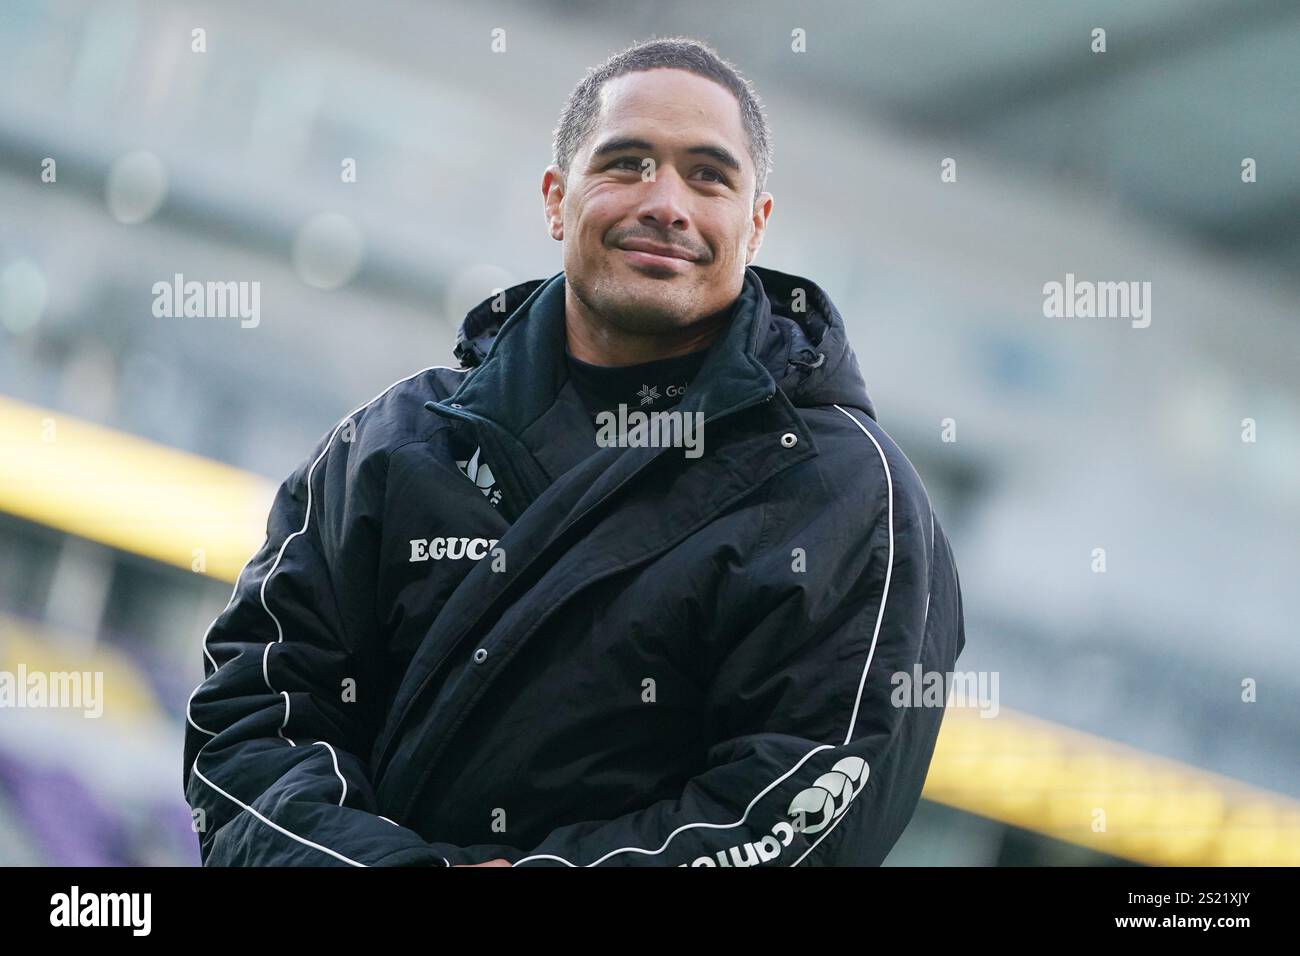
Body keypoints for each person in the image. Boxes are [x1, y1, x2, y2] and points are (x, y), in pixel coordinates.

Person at [182, 35, 965, 867]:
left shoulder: (848, 498)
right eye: (626, 163)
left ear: (756, 222)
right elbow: (253, 721)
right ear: (557, 200)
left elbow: (807, 803)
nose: (667, 202)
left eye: (709, 175)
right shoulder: (394, 439)